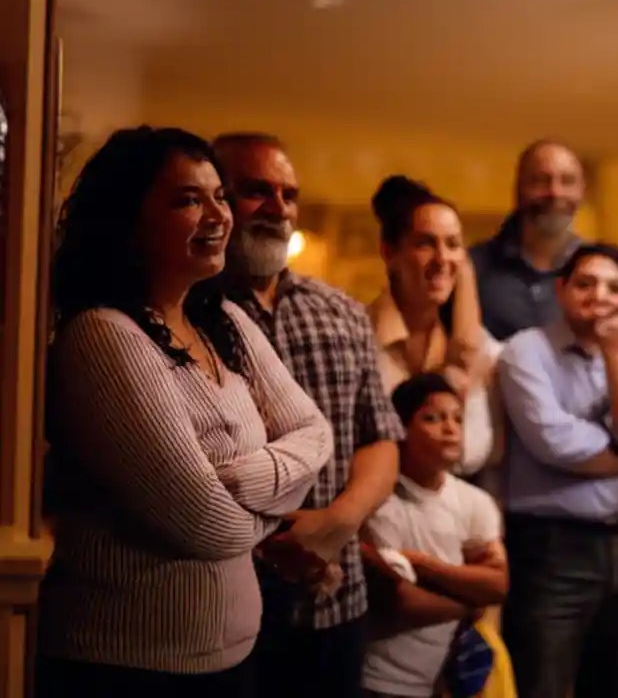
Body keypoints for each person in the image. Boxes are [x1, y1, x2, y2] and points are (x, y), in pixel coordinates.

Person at [37, 126, 333, 696]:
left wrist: (232, 478)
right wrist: (278, 503)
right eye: (188, 200)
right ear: (129, 221)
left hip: (233, 656)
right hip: (129, 666)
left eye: (219, 195)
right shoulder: (104, 334)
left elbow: (314, 432)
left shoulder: (222, 319)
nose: (218, 215)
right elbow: (207, 524)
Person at [213, 132, 405, 697]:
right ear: (215, 199)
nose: (278, 209)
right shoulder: (188, 311)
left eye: (289, 195)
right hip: (224, 607)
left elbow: (382, 439)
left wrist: (337, 522)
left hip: (336, 606)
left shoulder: (342, 311)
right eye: (256, 191)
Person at [496, 242, 618, 698]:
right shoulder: (525, 352)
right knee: (542, 686)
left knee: (616, 686)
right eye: (586, 283)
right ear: (561, 289)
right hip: (549, 549)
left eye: (615, 288)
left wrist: (614, 357)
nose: (600, 295)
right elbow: (554, 440)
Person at [360, 372, 508, 697]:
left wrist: (425, 567)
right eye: (432, 418)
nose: (450, 428)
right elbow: (401, 602)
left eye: (457, 418)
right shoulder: (380, 502)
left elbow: (497, 584)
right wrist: (469, 600)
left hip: (442, 679)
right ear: (401, 428)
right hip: (380, 679)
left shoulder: (473, 501)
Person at [366, 175, 502, 483]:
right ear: (390, 254)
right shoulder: (355, 337)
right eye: (425, 243)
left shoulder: (482, 348)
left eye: (453, 244)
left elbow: (474, 455)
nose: (442, 259)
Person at [470, 139, 618, 350]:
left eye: (567, 181)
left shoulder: (610, 274)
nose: (555, 192)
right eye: (540, 180)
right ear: (518, 188)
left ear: (582, 191)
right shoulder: (473, 267)